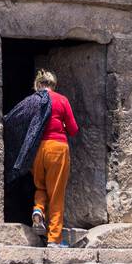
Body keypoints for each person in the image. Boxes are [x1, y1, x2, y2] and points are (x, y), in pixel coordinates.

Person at [31, 68, 79, 245]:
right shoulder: (62, 100)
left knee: (40, 186)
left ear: (38, 84)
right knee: (56, 193)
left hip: (37, 149)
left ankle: (38, 210)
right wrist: (63, 126)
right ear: (53, 84)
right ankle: (54, 239)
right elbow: (74, 129)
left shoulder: (32, 101)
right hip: (57, 148)